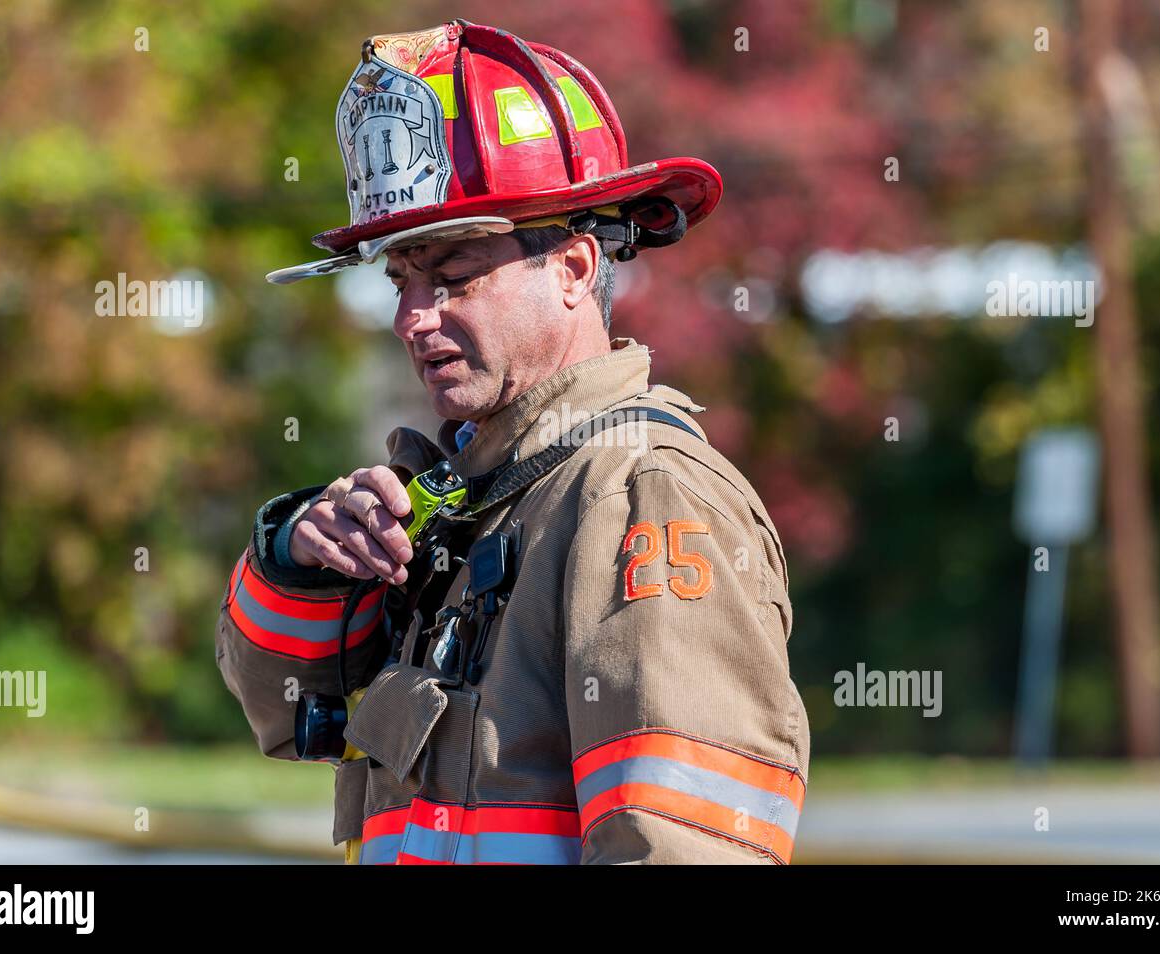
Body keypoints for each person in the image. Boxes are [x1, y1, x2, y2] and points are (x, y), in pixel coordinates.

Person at [216, 18, 810, 865]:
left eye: (453, 274)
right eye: (402, 280)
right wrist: (297, 561)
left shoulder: (639, 498)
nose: (410, 318)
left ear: (572, 271)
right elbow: (289, 721)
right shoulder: (478, 501)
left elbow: (681, 851)